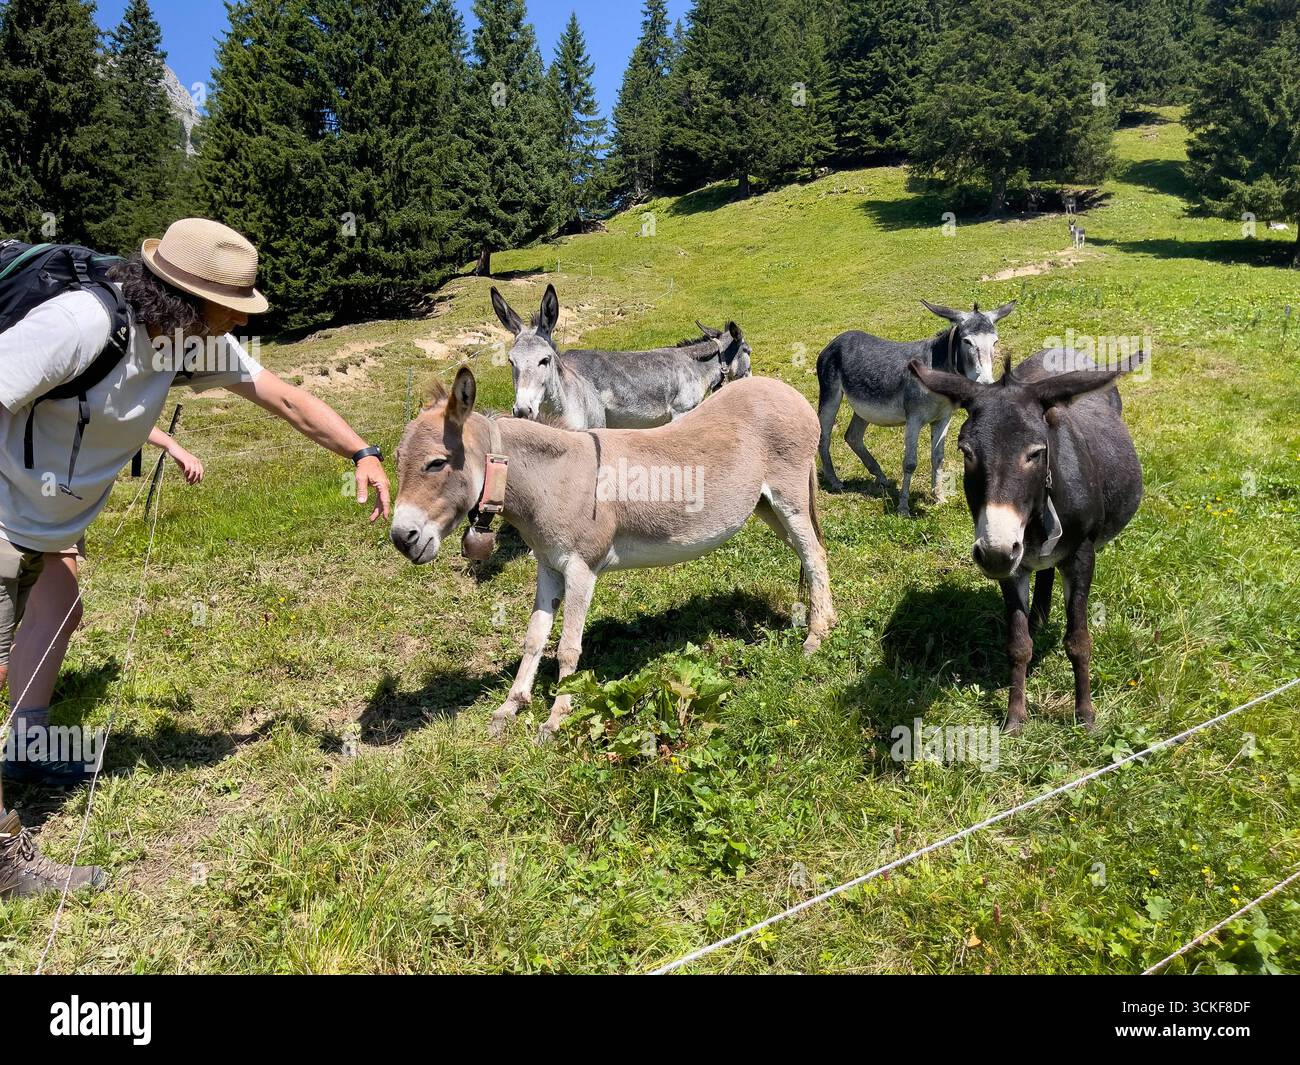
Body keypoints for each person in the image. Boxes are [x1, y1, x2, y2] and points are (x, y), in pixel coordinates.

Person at [1, 218, 390, 897]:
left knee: (61, 605)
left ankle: (27, 749)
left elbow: (287, 400)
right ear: (186, 298)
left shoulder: (188, 342)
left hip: (41, 526)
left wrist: (361, 451)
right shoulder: (82, 323)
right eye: (231, 311)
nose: (238, 324)